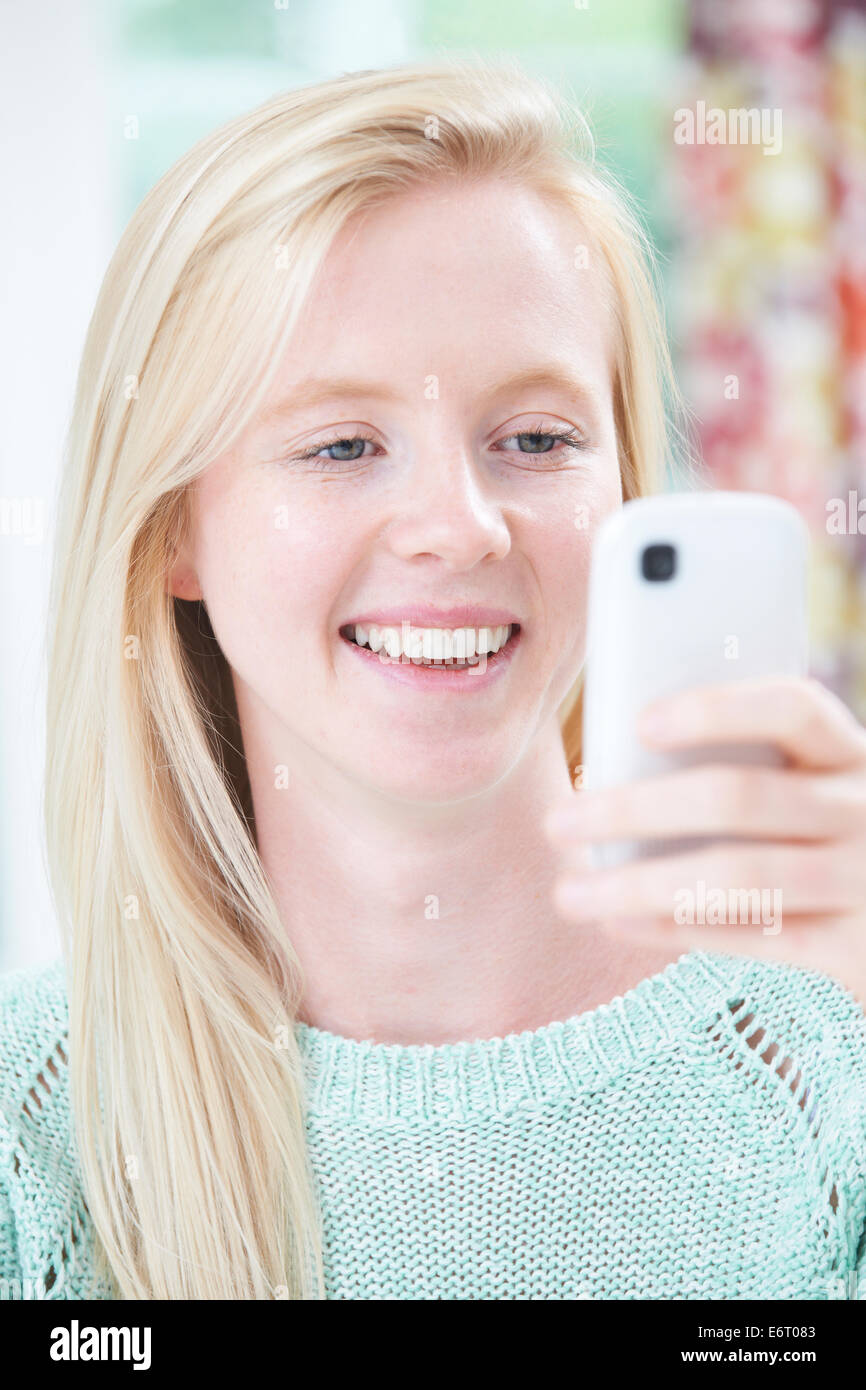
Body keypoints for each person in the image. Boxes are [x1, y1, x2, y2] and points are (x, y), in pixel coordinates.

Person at [1, 56, 864, 1302]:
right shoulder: (38, 1131)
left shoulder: (826, 1066)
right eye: (341, 444)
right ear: (172, 529)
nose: (459, 529)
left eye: (535, 439)